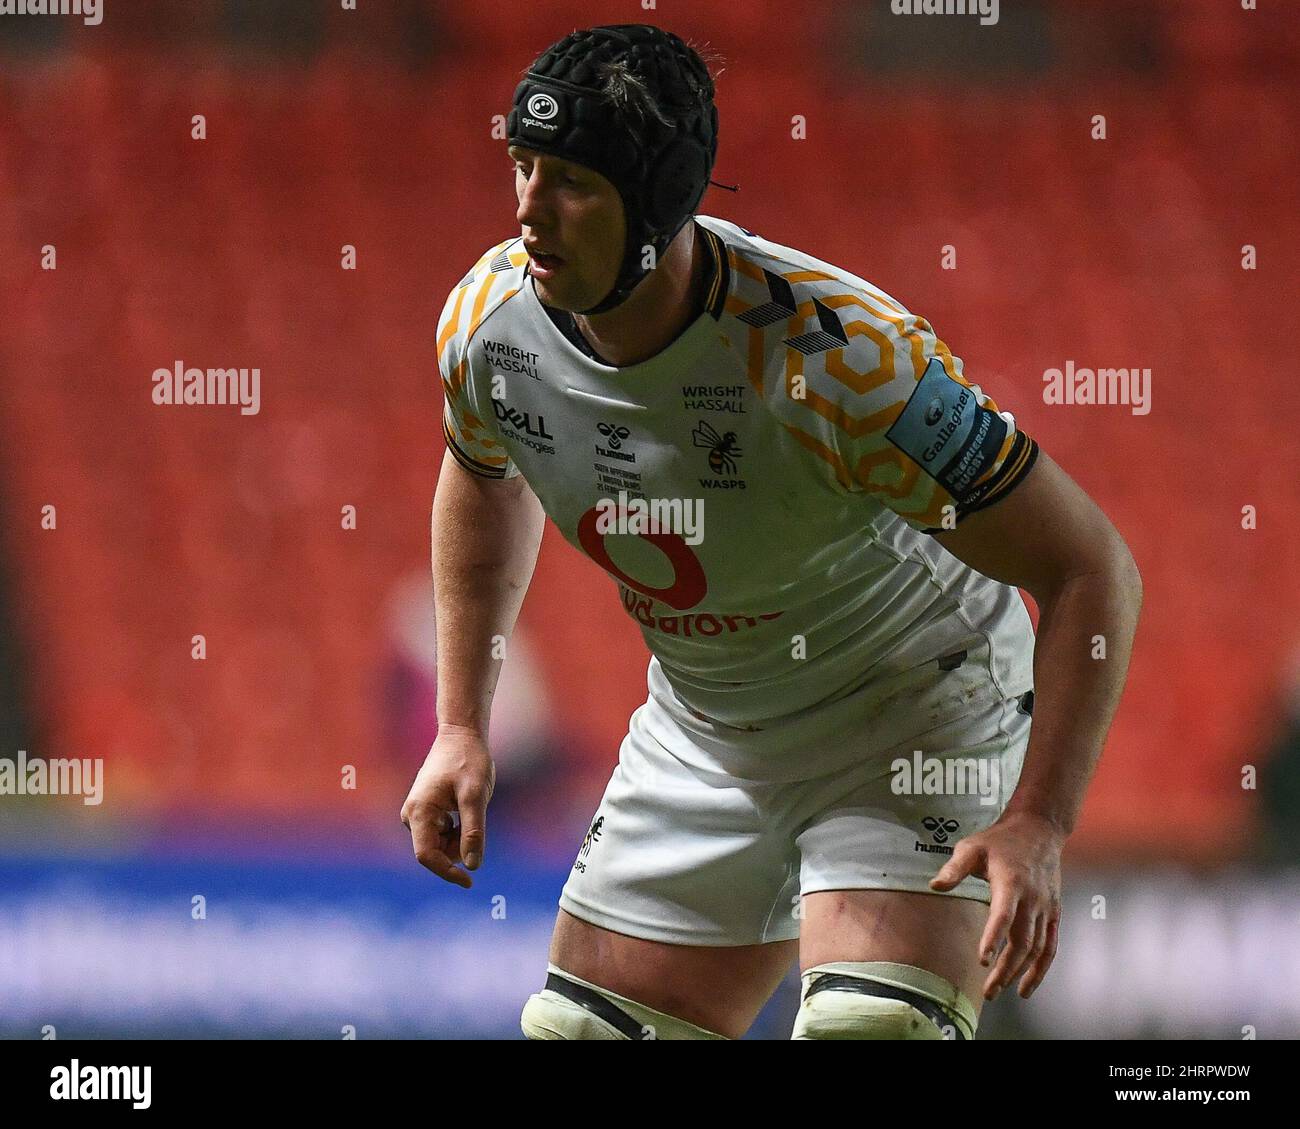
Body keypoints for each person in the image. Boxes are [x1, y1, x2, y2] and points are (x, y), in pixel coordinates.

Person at [401, 23, 1142, 1040]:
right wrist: (460, 722)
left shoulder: (845, 361)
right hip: (706, 731)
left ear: (658, 204)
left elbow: (1086, 567)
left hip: (909, 722)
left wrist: (1040, 822)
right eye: (522, 166)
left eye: (571, 181)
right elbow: (483, 480)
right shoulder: (489, 327)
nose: (528, 209)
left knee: (869, 1030)